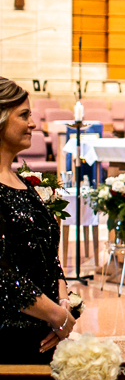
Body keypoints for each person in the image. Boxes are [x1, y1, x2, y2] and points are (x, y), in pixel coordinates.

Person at [0, 78, 75, 364]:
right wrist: (56, 315)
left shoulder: (24, 185)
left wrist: (64, 304)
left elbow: (48, 254)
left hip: (43, 333)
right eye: (24, 115)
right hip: (9, 339)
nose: (33, 124)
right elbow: (3, 277)